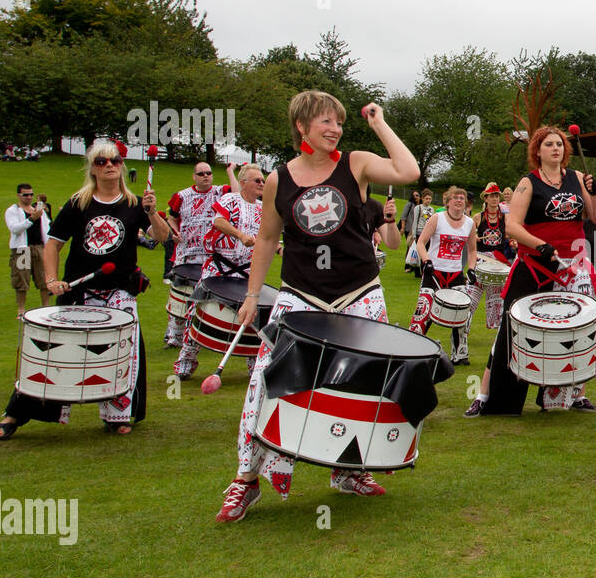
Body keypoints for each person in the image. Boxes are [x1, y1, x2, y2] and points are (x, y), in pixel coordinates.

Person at [215, 91, 421, 522]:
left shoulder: (357, 162)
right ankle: (245, 480)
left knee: (362, 386)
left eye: (339, 122)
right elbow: (269, 239)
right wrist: (253, 296)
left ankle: (349, 471)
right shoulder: (278, 180)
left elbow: (408, 170)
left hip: (359, 293)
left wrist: (379, 123)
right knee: (267, 384)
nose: (335, 129)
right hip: (300, 296)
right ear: (302, 127)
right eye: (325, 121)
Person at [0, 140, 170, 440]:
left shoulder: (135, 204)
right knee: (57, 352)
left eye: (114, 160)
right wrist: (51, 281)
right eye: (101, 162)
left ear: (121, 165)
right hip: (79, 290)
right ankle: (16, 412)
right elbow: (53, 244)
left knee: (123, 356)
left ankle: (117, 415)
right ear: (92, 168)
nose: (109, 165)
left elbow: (164, 238)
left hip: (120, 292)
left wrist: (152, 213)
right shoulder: (79, 204)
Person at [465, 127, 596, 416]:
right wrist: (541, 246)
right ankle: (486, 397)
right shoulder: (527, 183)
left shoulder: (578, 178)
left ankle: (573, 396)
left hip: (574, 266)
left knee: (578, 331)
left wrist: (594, 195)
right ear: (538, 150)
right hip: (534, 265)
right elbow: (513, 226)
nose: (556, 148)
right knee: (511, 331)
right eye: (549, 144)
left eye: (559, 144)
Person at [173, 163, 267, 380]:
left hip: (245, 272)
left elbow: (268, 238)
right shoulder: (230, 200)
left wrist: (280, 248)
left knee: (253, 317)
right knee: (197, 313)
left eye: (263, 180)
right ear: (243, 183)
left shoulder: (263, 209)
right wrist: (240, 235)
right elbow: (218, 221)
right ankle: (186, 361)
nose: (262, 184)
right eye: (257, 180)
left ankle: (255, 367)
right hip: (218, 267)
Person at [164, 161, 239, 346]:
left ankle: (202, 335)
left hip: (211, 255)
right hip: (186, 254)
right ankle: (174, 336)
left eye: (208, 173)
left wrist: (231, 171)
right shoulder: (181, 196)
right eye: (201, 174)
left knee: (207, 296)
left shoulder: (220, 192)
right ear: (194, 177)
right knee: (181, 295)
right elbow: (171, 217)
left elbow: (237, 196)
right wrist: (174, 231)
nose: (205, 176)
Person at [408, 185, 481, 365]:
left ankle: (460, 353)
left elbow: (472, 250)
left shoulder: (470, 223)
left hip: (455, 274)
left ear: (466, 203)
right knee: (424, 311)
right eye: (455, 198)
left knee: (461, 314)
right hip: (434, 272)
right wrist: (426, 260)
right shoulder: (437, 218)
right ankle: (410, 349)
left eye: (462, 198)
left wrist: (471, 269)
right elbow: (421, 242)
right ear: (447, 202)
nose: (458, 201)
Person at [7, 182, 51, 319]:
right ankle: (21, 310)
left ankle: (45, 309)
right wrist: (31, 219)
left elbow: (48, 228)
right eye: (25, 195)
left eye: (31, 194)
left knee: (44, 279)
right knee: (21, 279)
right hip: (22, 249)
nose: (28, 197)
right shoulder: (13, 210)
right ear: (18, 195)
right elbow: (15, 228)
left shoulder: (38, 210)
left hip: (39, 248)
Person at [474, 181, 510, 331]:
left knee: (496, 298)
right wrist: (473, 238)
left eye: (496, 196)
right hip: (481, 258)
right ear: (486, 199)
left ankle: (495, 328)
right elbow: (468, 236)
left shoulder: (505, 217)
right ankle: (463, 323)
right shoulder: (478, 217)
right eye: (491, 196)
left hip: (498, 260)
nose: (494, 199)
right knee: (474, 291)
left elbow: (509, 235)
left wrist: (513, 241)